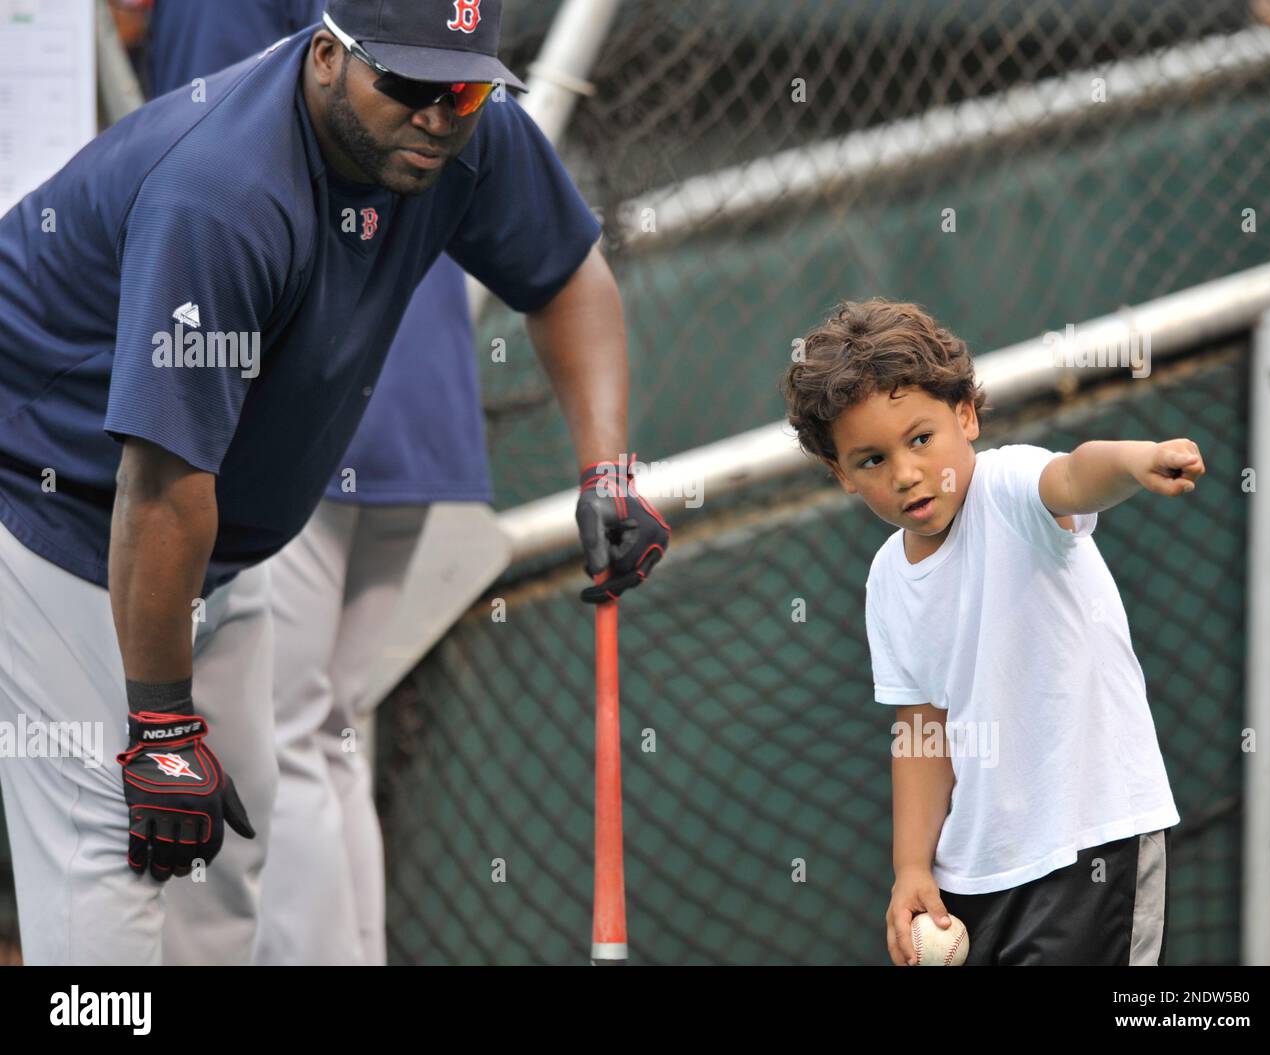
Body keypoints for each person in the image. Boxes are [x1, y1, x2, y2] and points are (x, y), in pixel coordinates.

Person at [0, 0, 669, 966]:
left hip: (207, 531)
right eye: (404, 83)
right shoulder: (222, 189)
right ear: (326, 57)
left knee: (227, 846)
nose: (439, 114)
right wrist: (158, 724)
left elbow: (568, 275)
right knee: (115, 848)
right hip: (50, 499)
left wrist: (607, 469)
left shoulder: (461, 127)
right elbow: (158, 485)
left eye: (467, 88)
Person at [148, 0, 494, 966]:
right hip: (419, 412)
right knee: (331, 733)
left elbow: (197, 188)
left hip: (306, 421)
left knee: (284, 736)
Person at [781, 298, 1193, 965]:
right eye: (871, 460)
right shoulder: (886, 579)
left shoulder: (1006, 489)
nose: (906, 472)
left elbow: (1071, 475)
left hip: (1090, 844)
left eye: (920, 439)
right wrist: (912, 867)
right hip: (972, 881)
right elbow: (922, 726)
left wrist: (1135, 459)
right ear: (841, 476)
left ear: (966, 414)